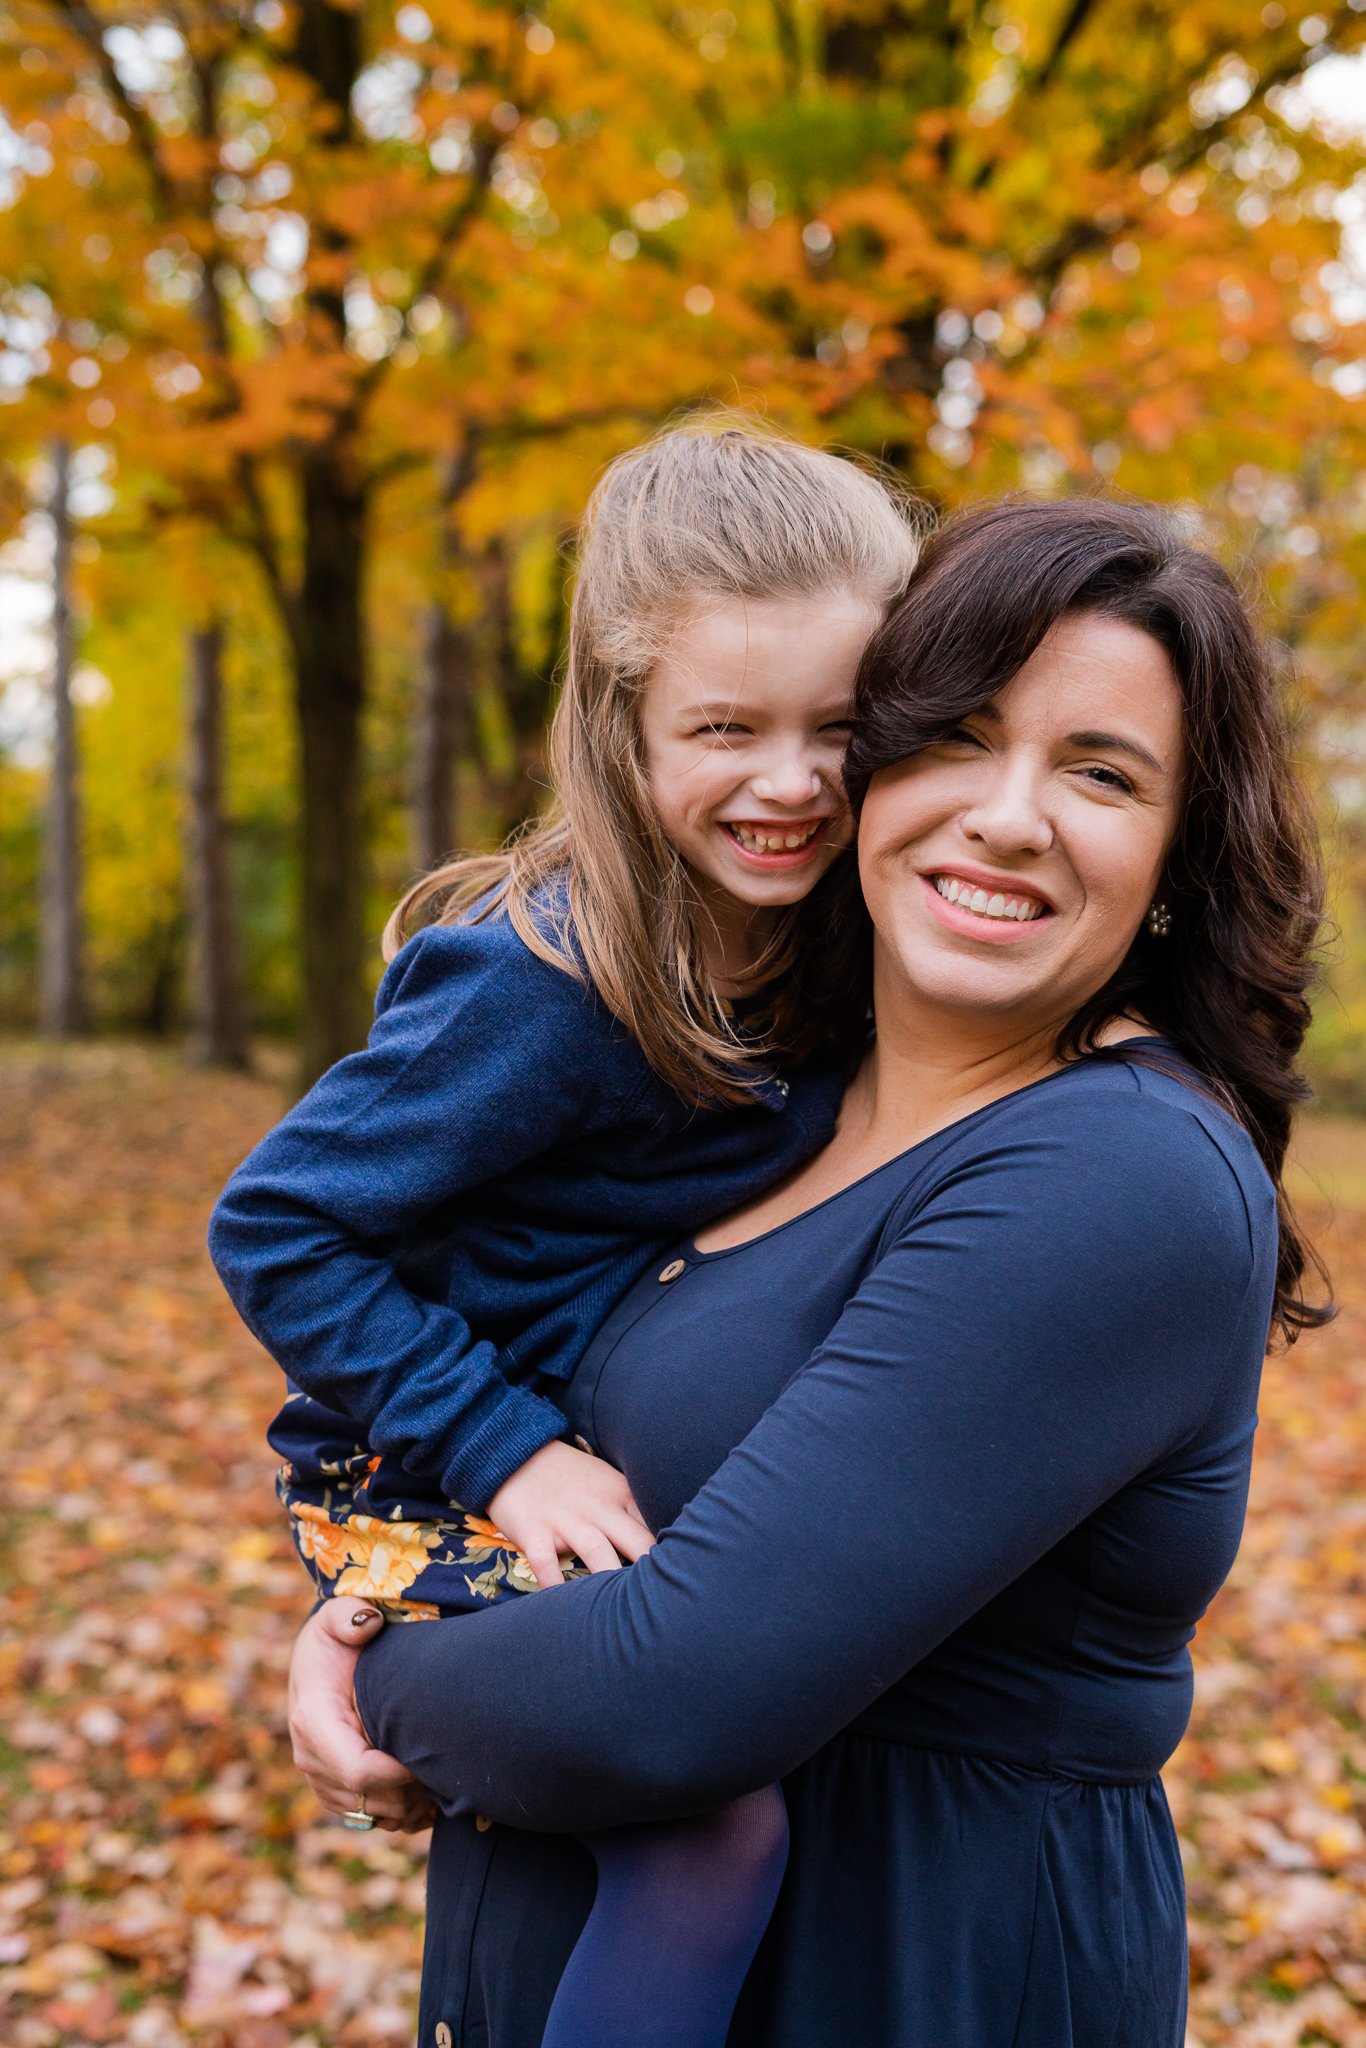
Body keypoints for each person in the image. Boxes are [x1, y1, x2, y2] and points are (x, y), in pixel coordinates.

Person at [288, 495, 1329, 2048]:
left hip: (898, 1977)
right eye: (956, 736)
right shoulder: (751, 1097)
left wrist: (369, 1668)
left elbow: (671, 1694)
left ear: (1178, 850)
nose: (1009, 816)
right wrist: (409, 1586)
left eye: (1100, 773)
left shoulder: (1116, 1173)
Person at [208, 422, 922, 2048]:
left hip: (589, 1449)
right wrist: (504, 1451)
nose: (792, 781)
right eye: (725, 728)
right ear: (622, 724)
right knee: (710, 1829)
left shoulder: (833, 939)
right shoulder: (546, 983)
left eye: (839, 728)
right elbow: (279, 1222)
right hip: (421, 1475)